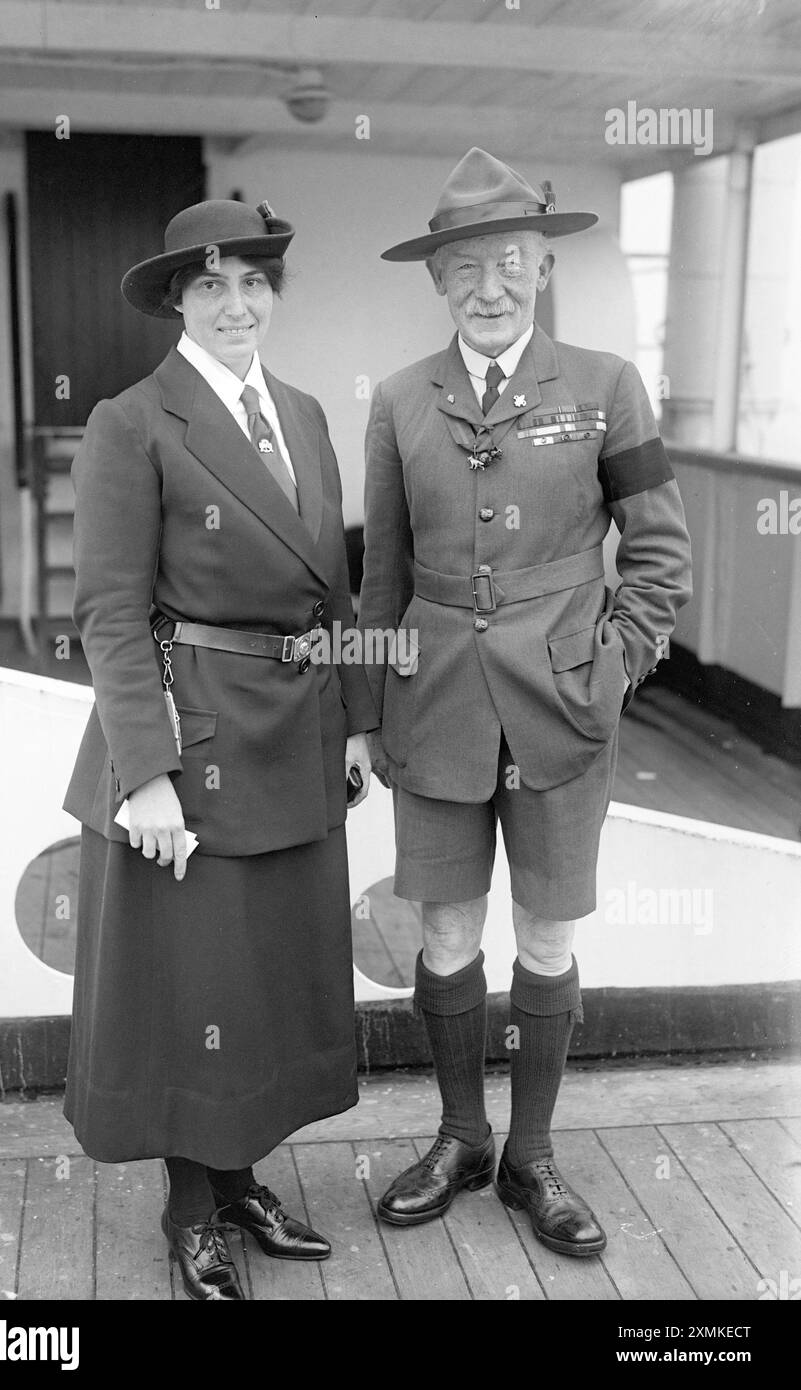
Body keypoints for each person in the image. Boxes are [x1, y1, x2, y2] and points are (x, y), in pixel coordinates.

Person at [359, 149, 692, 1256]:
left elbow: (659, 559)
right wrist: (368, 710)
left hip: (563, 708)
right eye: (464, 268)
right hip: (434, 702)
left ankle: (530, 1156)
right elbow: (383, 577)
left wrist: (613, 667)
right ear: (438, 281)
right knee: (446, 930)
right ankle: (460, 1135)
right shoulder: (401, 400)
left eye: (508, 261)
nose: (488, 286)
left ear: (542, 267)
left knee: (545, 937)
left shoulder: (607, 388)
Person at [62, 198, 376, 1299]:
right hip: (189, 740)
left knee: (260, 982)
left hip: (296, 730)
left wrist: (352, 722)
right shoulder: (133, 420)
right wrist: (144, 773)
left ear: (273, 296)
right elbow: (107, 611)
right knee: (192, 979)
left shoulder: (303, 411)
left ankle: (239, 1179)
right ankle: (190, 1210)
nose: (236, 304)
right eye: (211, 287)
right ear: (179, 303)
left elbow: (334, 586)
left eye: (253, 283)